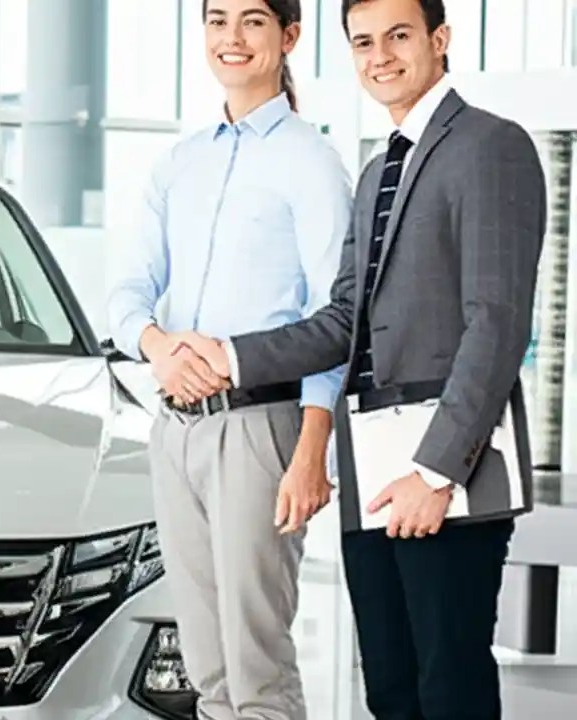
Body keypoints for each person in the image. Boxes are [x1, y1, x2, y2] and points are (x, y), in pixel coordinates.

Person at [177, 1, 547, 718]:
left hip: (446, 471)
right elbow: (344, 319)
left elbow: (496, 325)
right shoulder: (379, 169)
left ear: (439, 40)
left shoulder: (490, 145)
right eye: (363, 42)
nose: (380, 56)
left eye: (399, 36)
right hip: (371, 468)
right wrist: (230, 355)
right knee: (390, 690)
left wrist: (437, 470)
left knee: (450, 688)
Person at [105, 1, 353, 717]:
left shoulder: (310, 160)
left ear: (289, 37)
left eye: (251, 21)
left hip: (260, 430)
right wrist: (157, 346)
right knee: (205, 666)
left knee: (257, 666)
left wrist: (312, 452)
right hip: (176, 427)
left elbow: (334, 318)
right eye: (218, 21)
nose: (232, 38)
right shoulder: (181, 161)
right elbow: (127, 292)